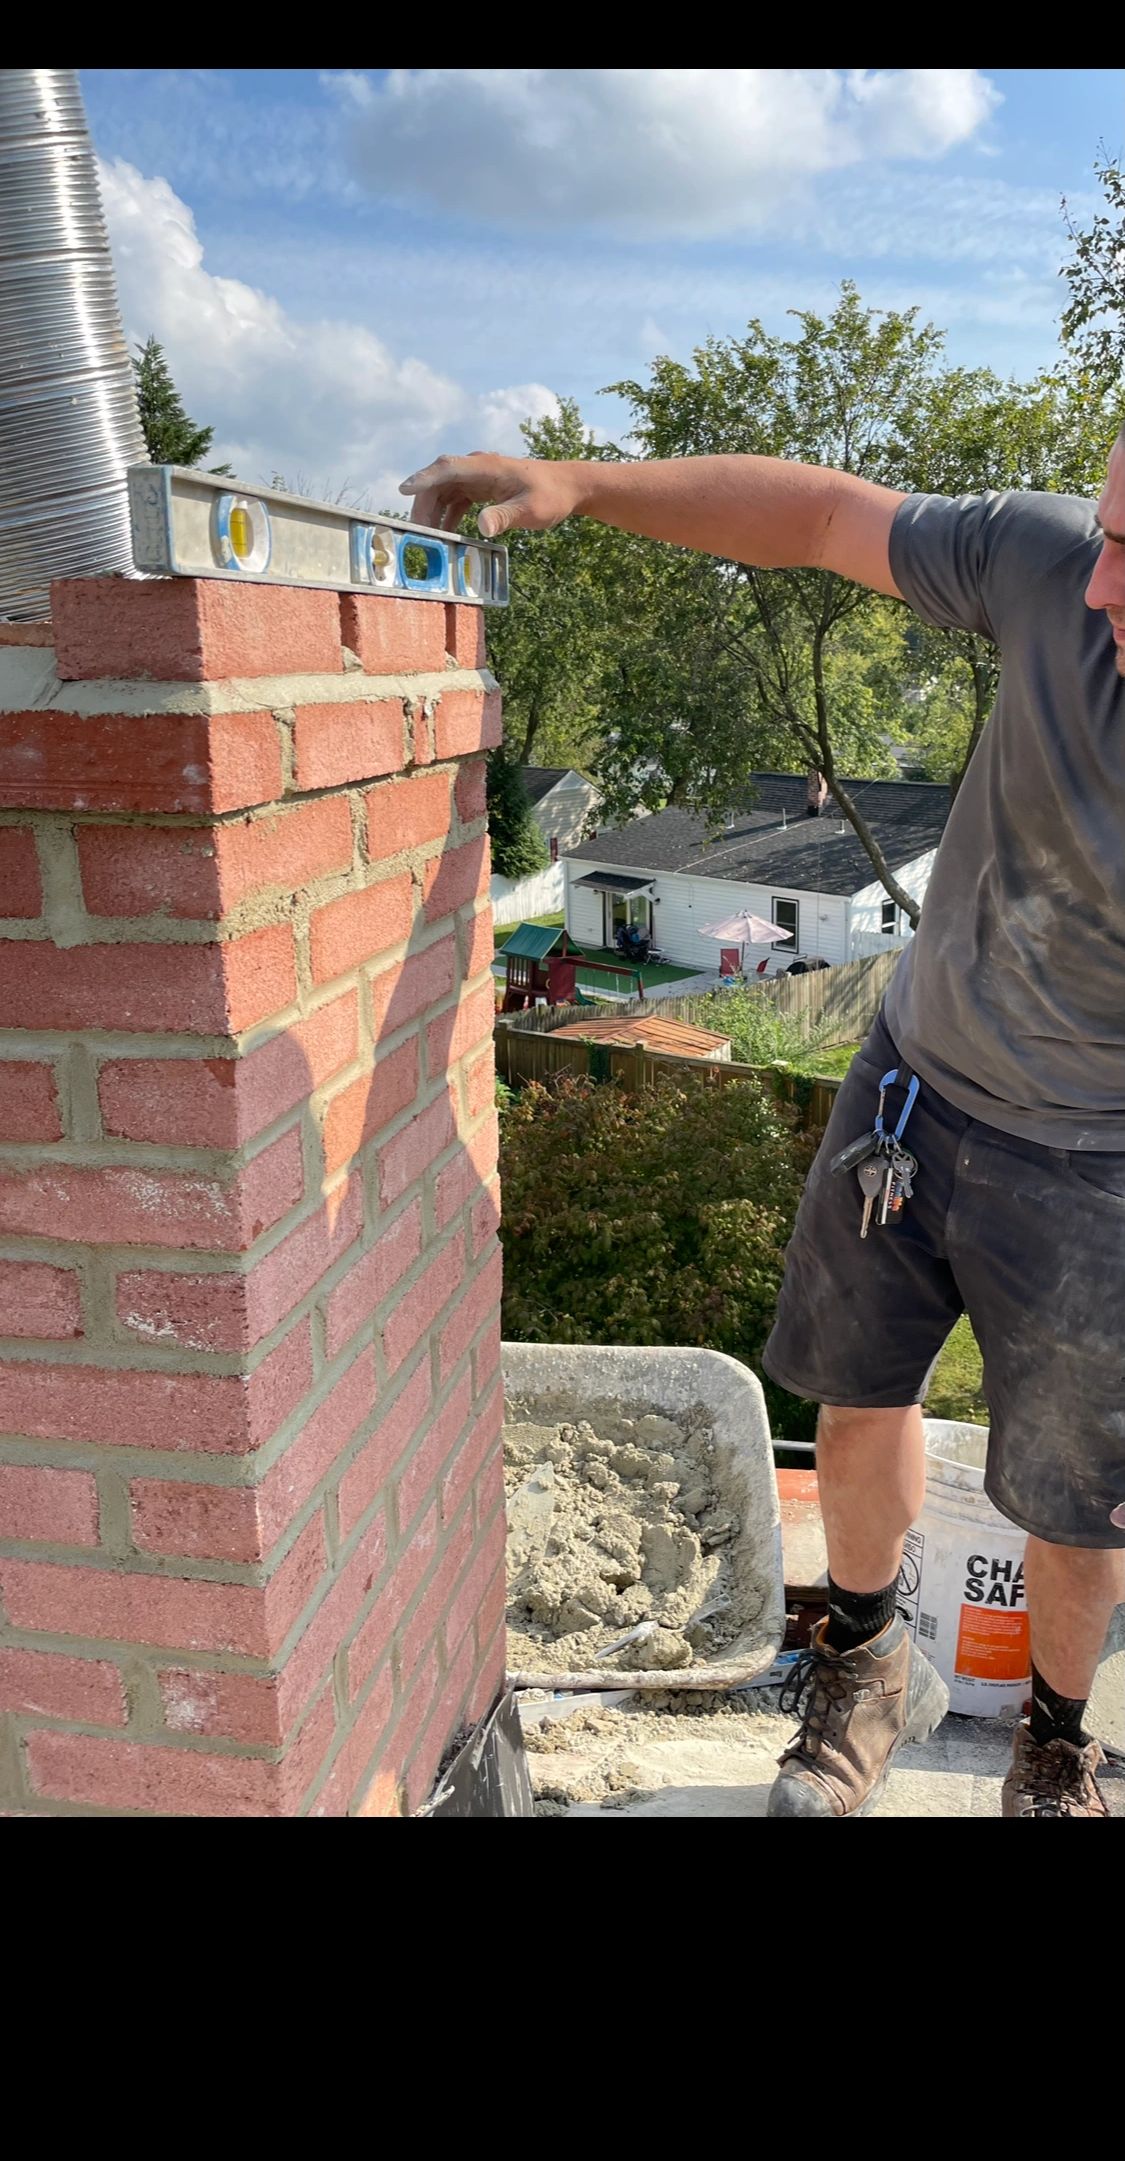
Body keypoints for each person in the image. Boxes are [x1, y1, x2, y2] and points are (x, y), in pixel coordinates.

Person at [403, 433, 1125, 1820]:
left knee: (1071, 1507)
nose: (1098, 584)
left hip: (1096, 1172)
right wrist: (586, 485)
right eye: (1103, 532)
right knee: (854, 1412)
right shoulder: (1045, 575)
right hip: (914, 1091)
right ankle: (858, 1666)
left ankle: (1052, 1747)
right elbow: (818, 512)